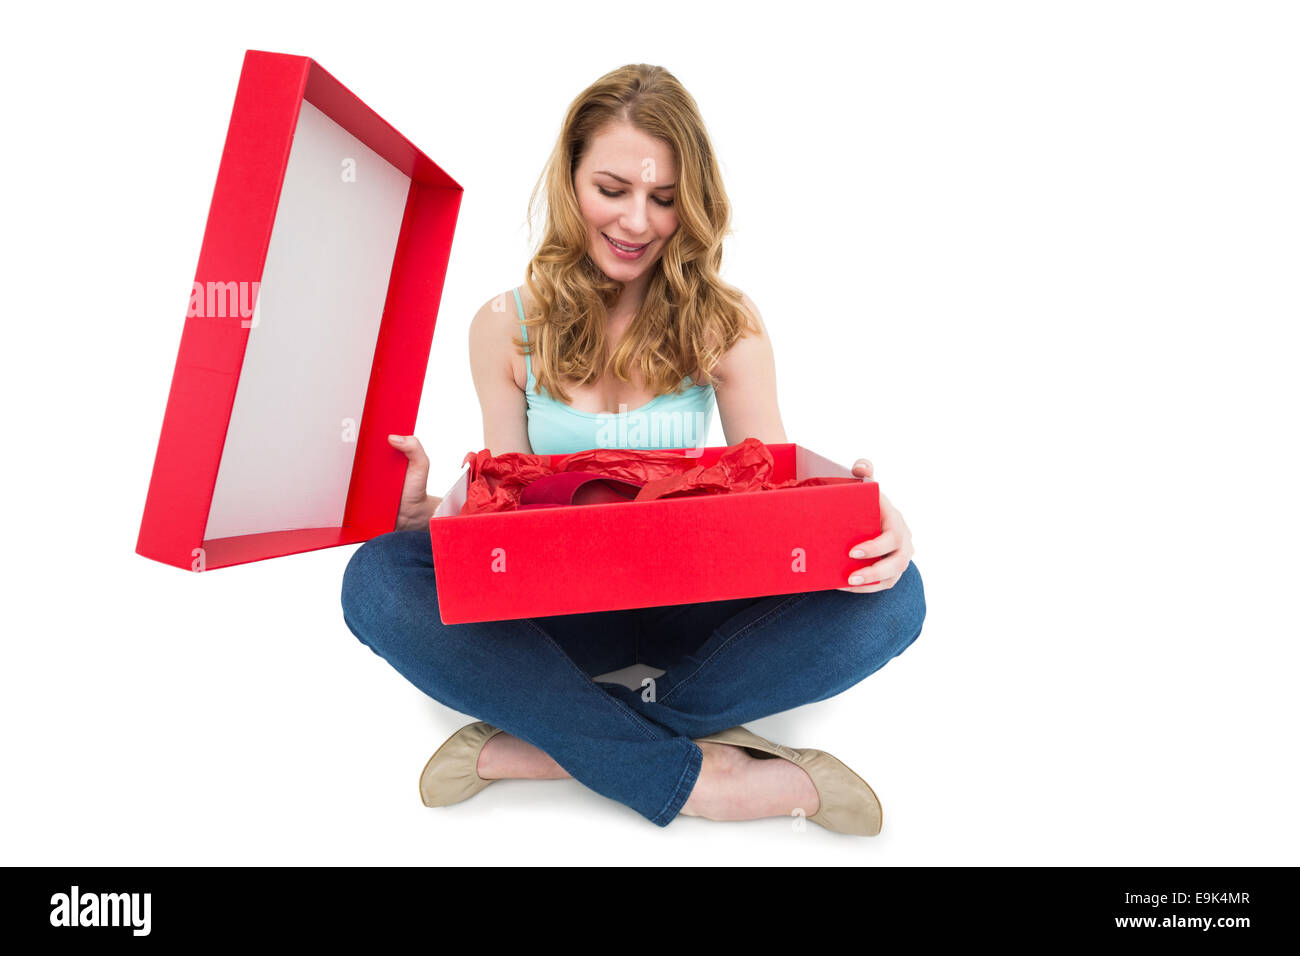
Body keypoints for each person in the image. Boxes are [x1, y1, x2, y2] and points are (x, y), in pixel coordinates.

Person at [340, 63, 926, 834]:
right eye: (611, 190)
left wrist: (866, 523)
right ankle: (703, 777)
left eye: (664, 198)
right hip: (564, 603)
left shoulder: (727, 323)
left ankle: (549, 745)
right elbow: (508, 508)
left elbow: (770, 493)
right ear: (570, 180)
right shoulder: (503, 326)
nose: (637, 223)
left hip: (694, 593)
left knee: (895, 599)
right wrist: (432, 526)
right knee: (378, 581)